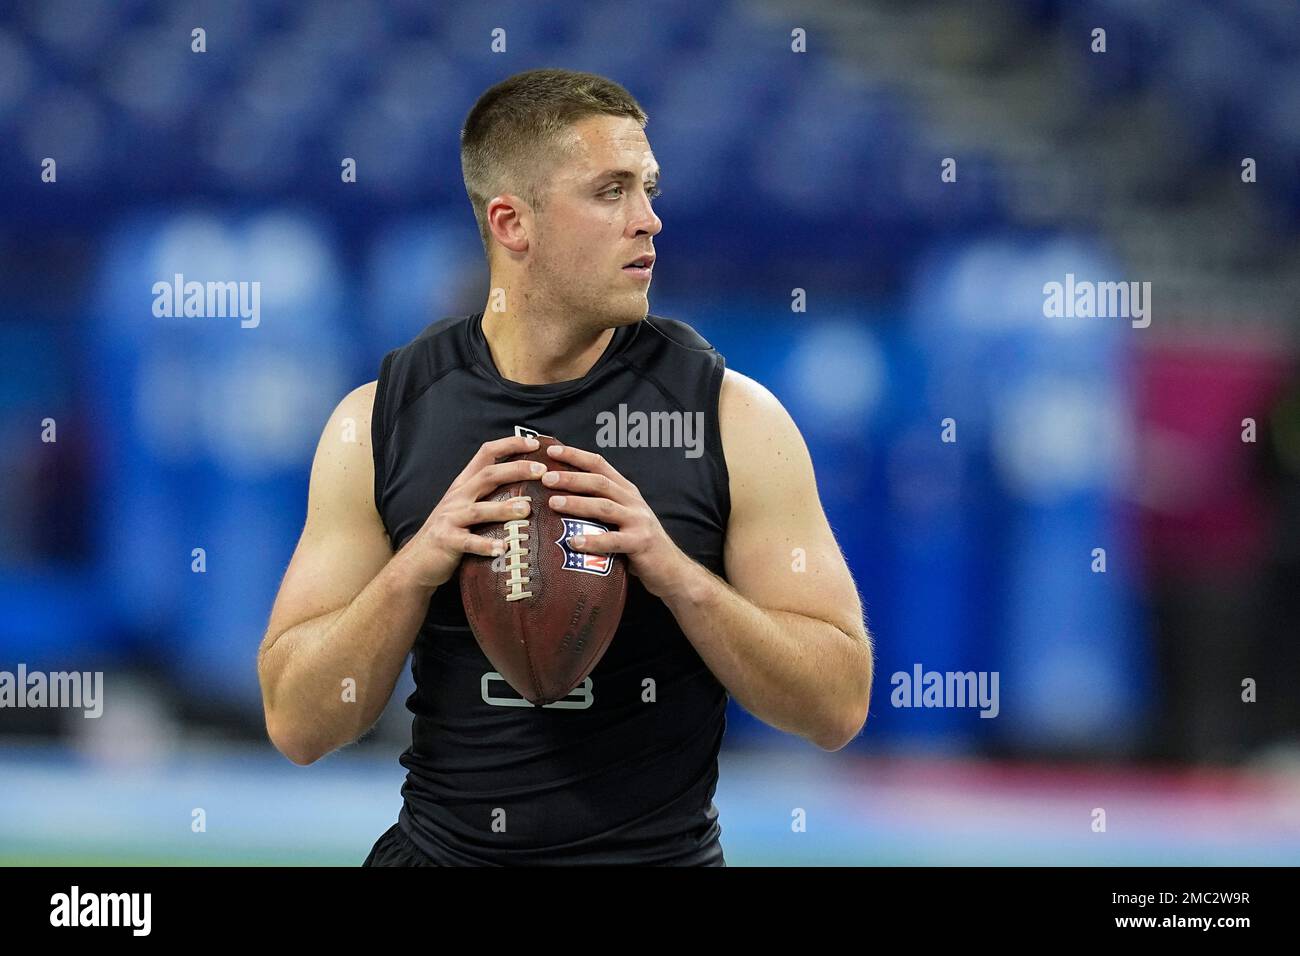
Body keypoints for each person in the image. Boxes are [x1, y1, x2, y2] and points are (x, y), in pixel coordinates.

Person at [256, 68, 873, 866]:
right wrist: (415, 568)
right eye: (611, 192)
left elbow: (838, 705)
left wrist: (679, 576)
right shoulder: (379, 420)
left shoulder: (731, 417)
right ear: (513, 223)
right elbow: (298, 725)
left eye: (648, 189)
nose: (649, 221)